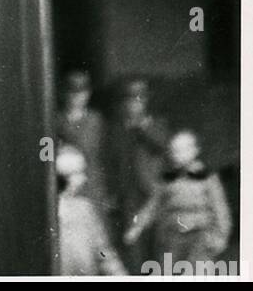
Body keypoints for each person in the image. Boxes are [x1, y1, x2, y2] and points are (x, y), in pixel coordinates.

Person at [124, 130, 231, 271]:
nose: (177, 155)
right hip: (173, 237)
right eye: (174, 151)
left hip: (200, 236)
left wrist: (221, 236)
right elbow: (152, 205)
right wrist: (137, 227)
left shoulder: (207, 177)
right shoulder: (168, 179)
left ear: (194, 151)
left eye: (182, 150)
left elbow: (220, 209)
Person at [105, 77, 170, 272]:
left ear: (146, 101)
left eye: (139, 99)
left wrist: (143, 127)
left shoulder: (157, 123)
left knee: (157, 244)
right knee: (132, 245)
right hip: (128, 194)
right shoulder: (116, 128)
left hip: (152, 193)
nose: (134, 104)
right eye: (130, 100)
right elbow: (110, 161)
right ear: (123, 103)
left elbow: (164, 148)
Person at [56, 145, 125, 277]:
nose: (83, 179)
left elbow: (104, 252)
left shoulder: (85, 208)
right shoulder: (51, 212)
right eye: (77, 173)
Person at [55, 68, 110, 213]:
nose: (76, 96)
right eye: (71, 91)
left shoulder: (96, 120)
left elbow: (106, 156)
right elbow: (45, 156)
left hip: (93, 188)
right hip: (65, 190)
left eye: (81, 91)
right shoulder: (52, 121)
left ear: (88, 93)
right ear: (62, 92)